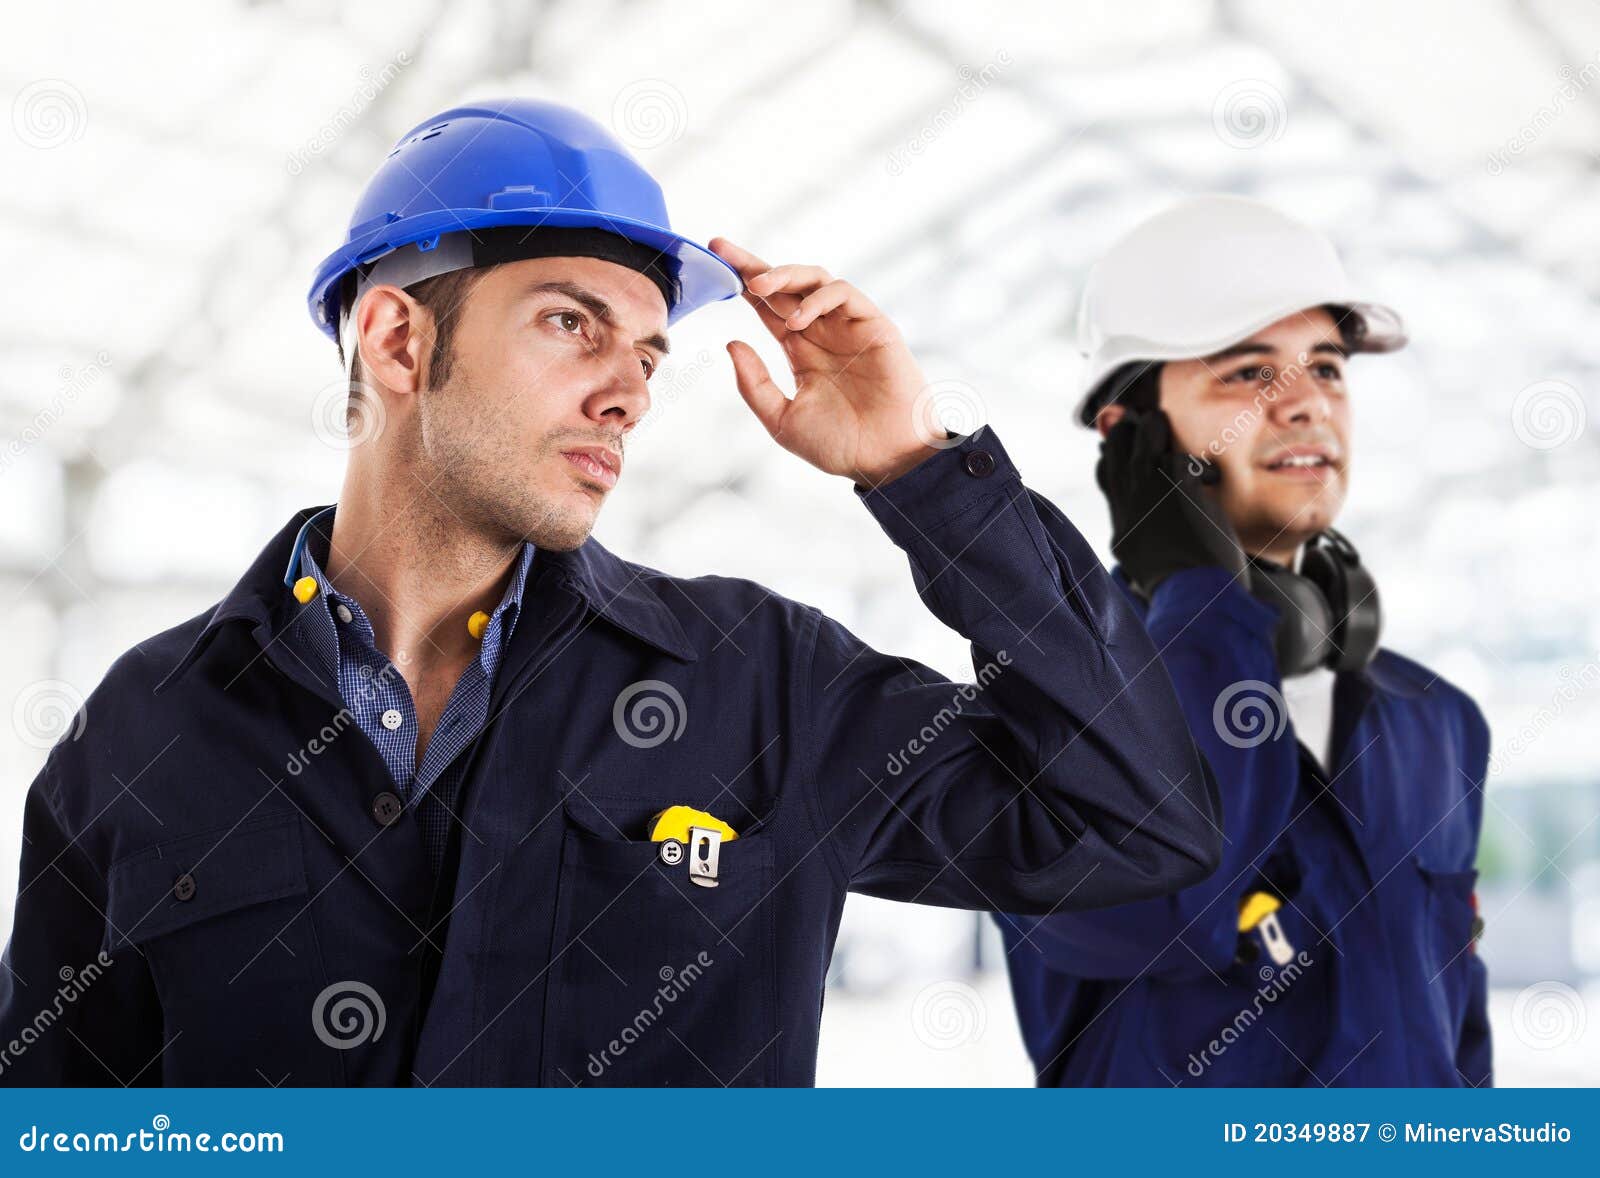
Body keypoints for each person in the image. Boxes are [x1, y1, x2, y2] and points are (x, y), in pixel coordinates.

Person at [0, 99, 1221, 1087]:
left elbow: (1135, 819)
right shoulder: (142, 727)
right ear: (396, 342)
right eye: (572, 324)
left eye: (646, 353)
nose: (627, 392)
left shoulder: (763, 682)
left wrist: (923, 472)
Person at [998, 195, 1491, 1087]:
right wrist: (1204, 597)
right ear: (1131, 439)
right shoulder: (1046, 704)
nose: (1306, 404)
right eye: (1248, 374)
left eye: (1328, 369)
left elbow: (1458, 1041)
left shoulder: (1439, 722)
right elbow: (1177, 908)